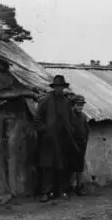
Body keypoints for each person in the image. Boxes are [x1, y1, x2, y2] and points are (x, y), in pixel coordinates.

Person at [34, 74, 79, 202]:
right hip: (48, 140)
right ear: (54, 87)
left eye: (61, 87)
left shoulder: (65, 102)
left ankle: (59, 190)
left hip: (62, 139)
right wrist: (46, 130)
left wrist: (70, 131)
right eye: (57, 87)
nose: (60, 89)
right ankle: (45, 192)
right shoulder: (46, 100)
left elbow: (69, 119)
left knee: (61, 165)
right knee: (47, 166)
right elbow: (37, 119)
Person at [69, 94, 90, 196]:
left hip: (81, 145)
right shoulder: (70, 117)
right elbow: (69, 132)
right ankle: (70, 187)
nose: (80, 107)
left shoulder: (83, 117)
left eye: (81, 105)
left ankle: (79, 186)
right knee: (71, 167)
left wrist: (85, 142)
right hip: (72, 145)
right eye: (78, 105)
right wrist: (73, 145)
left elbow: (87, 131)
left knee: (79, 168)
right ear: (73, 105)